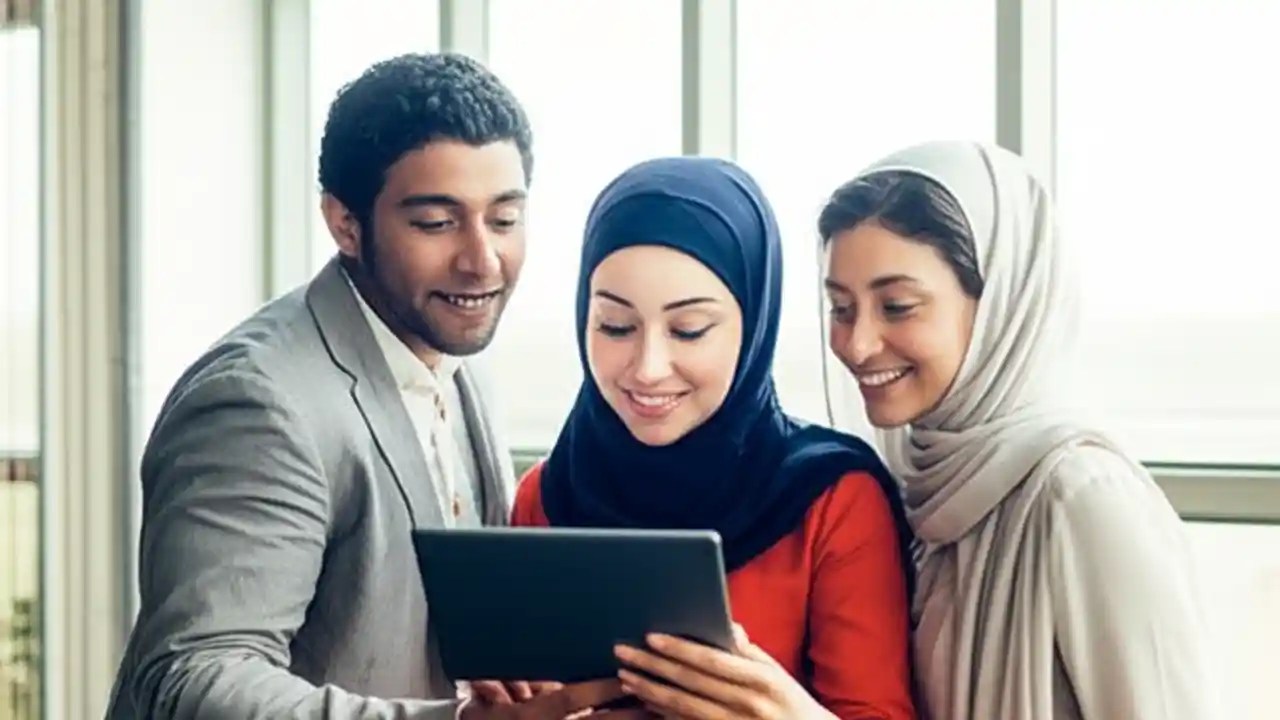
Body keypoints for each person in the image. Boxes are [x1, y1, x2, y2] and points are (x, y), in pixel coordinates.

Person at [107, 52, 625, 719]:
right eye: (437, 224)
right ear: (345, 223)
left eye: (503, 219)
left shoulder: (454, 355)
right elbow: (192, 679)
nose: (482, 260)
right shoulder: (258, 402)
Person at [818, 140, 1220, 719]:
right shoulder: (917, 488)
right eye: (841, 308)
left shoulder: (1082, 498)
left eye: (898, 306)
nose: (856, 345)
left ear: (999, 304)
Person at [508, 157, 917, 720]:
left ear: (754, 327)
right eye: (615, 326)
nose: (648, 368)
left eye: (689, 330)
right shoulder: (547, 494)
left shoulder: (830, 498)